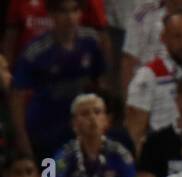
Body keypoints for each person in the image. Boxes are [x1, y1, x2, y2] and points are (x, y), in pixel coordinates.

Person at [9, 0, 108, 161]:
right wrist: (24, 145)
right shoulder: (36, 51)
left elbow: (101, 85)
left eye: (74, 11)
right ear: (51, 15)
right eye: (63, 12)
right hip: (47, 136)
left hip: (82, 134)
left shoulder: (91, 42)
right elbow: (16, 98)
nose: (69, 17)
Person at [124, 9, 182, 146]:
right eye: (177, 37)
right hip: (158, 154)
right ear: (163, 38)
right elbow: (135, 132)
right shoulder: (147, 75)